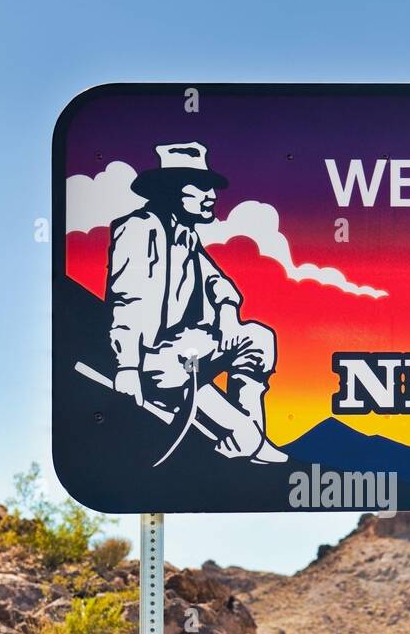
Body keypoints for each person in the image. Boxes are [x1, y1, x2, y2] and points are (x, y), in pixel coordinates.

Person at [106, 141, 286, 463]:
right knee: (181, 367)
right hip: (154, 359)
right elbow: (127, 302)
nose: (211, 196)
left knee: (258, 337)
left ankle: (250, 439)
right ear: (171, 189)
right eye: (201, 187)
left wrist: (228, 316)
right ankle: (247, 439)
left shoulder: (187, 236)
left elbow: (219, 283)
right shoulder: (139, 230)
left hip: (187, 348)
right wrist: (127, 368)